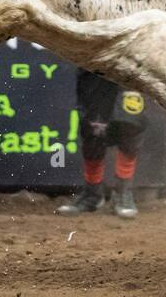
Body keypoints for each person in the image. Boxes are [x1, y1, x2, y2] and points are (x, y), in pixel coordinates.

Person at [56, 71, 147, 219]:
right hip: (96, 65)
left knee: (131, 123)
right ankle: (92, 195)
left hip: (130, 63)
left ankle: (122, 194)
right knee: (94, 129)